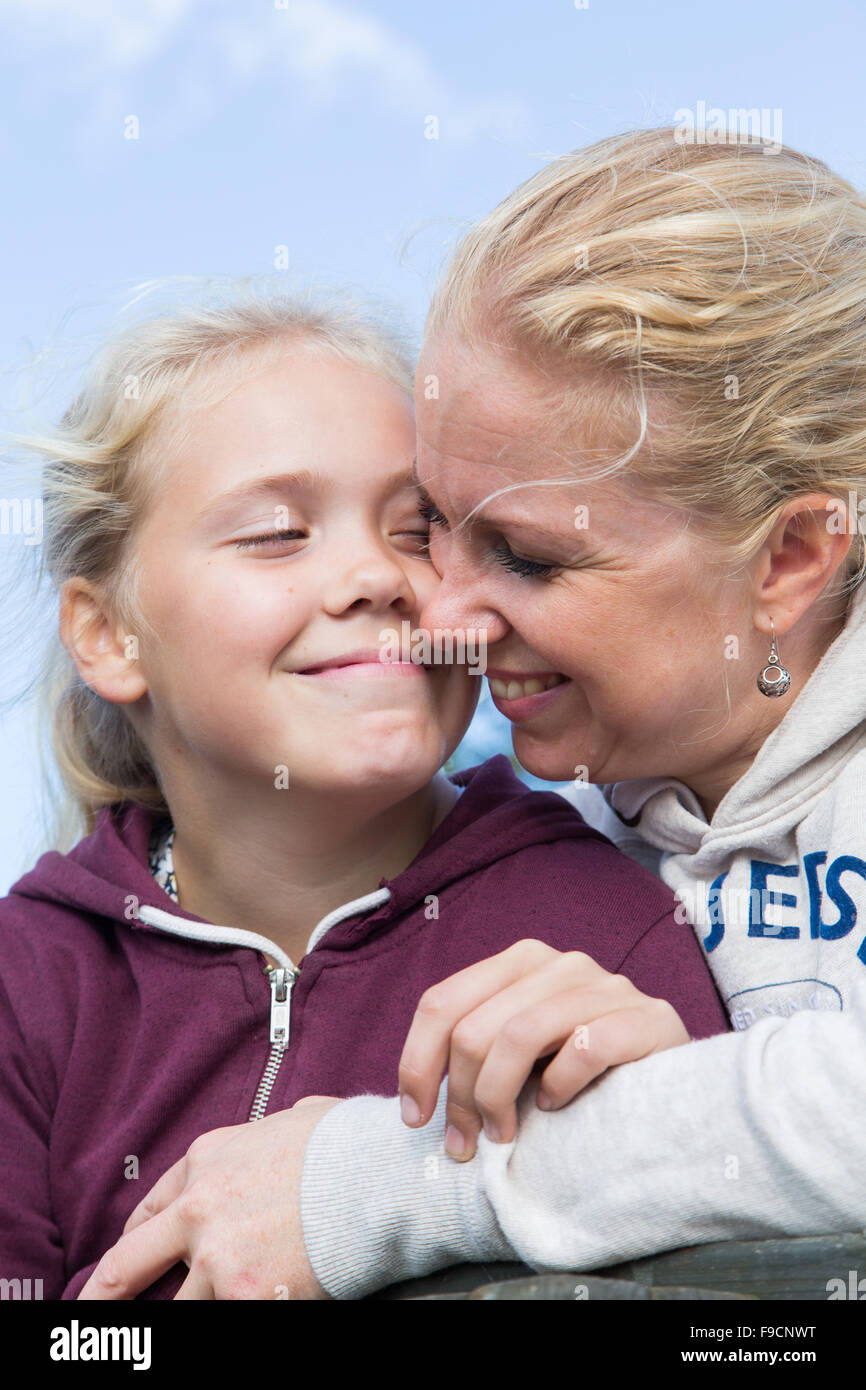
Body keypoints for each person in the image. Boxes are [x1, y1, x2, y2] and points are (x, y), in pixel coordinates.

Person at [74, 123, 866, 1303]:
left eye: (530, 557)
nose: (430, 605)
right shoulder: (568, 840)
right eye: (433, 521)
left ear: (792, 554)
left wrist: (369, 1187)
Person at [0, 284, 729, 1301]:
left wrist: (651, 1119)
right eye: (275, 533)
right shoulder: (28, 980)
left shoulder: (599, 932)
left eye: (416, 528)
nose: (374, 577)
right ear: (107, 635)